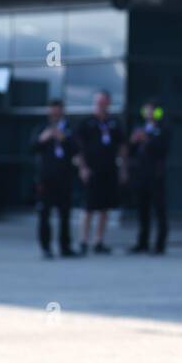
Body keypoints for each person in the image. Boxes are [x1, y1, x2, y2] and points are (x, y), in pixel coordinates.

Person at [73, 90, 126, 254]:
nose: (102, 106)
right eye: (99, 103)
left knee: (105, 207)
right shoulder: (86, 123)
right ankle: (83, 241)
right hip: (91, 170)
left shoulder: (114, 123)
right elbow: (77, 148)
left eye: (104, 103)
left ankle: (99, 241)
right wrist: (82, 168)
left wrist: (123, 168)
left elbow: (122, 147)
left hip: (109, 170)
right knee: (88, 207)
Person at [31, 100, 77, 258]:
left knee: (65, 214)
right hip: (46, 177)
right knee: (44, 213)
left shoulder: (69, 128)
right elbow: (32, 147)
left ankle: (65, 246)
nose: (55, 114)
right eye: (52, 111)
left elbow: (76, 148)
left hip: (64, 177)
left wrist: (62, 137)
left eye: (58, 111)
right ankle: (46, 247)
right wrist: (42, 139)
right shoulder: (41, 128)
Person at [127, 100, 173, 254]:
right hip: (141, 174)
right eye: (146, 110)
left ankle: (160, 244)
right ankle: (142, 242)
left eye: (152, 110)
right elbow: (130, 151)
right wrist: (133, 142)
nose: (149, 113)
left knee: (159, 210)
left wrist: (146, 139)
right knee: (142, 210)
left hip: (156, 175)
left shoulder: (163, 129)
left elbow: (163, 149)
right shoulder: (139, 128)